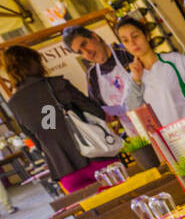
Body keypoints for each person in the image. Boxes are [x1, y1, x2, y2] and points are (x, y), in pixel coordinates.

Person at [2, 44, 115, 194]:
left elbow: (36, 141)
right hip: (96, 156)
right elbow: (96, 112)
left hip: (64, 170)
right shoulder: (57, 84)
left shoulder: (14, 104)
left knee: (95, 214)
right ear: (35, 63)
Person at [115, 17, 185, 132]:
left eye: (135, 36)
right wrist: (136, 80)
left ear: (147, 36)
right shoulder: (132, 78)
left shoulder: (173, 61)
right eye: (126, 40)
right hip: (175, 143)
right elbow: (135, 114)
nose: (132, 43)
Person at [62, 25, 135, 118]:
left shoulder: (127, 52)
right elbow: (99, 110)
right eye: (80, 52)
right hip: (134, 129)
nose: (87, 53)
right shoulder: (92, 76)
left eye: (84, 44)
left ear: (95, 37)